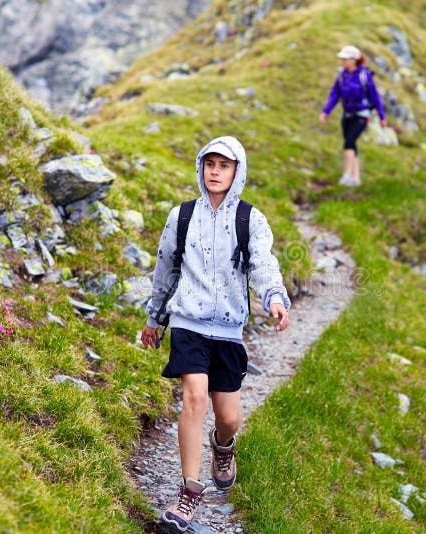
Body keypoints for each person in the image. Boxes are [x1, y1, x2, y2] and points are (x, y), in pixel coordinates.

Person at [140, 135, 290, 532]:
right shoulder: (182, 216)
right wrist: (155, 318)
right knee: (193, 399)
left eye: (224, 165)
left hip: (228, 328)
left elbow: (263, 263)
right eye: (210, 164)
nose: (215, 172)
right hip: (188, 323)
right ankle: (189, 491)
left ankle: (223, 445)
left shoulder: (250, 219)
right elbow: (166, 269)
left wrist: (274, 295)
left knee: (229, 416)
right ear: (201, 167)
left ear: (237, 171)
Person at [318, 44, 387, 186]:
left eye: (345, 59)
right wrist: (326, 112)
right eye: (342, 59)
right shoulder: (342, 76)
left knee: (349, 143)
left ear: (354, 60)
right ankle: (356, 178)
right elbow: (334, 95)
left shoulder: (364, 75)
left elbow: (375, 96)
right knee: (352, 144)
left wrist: (382, 116)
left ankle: (347, 175)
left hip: (361, 114)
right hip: (347, 114)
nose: (342, 62)